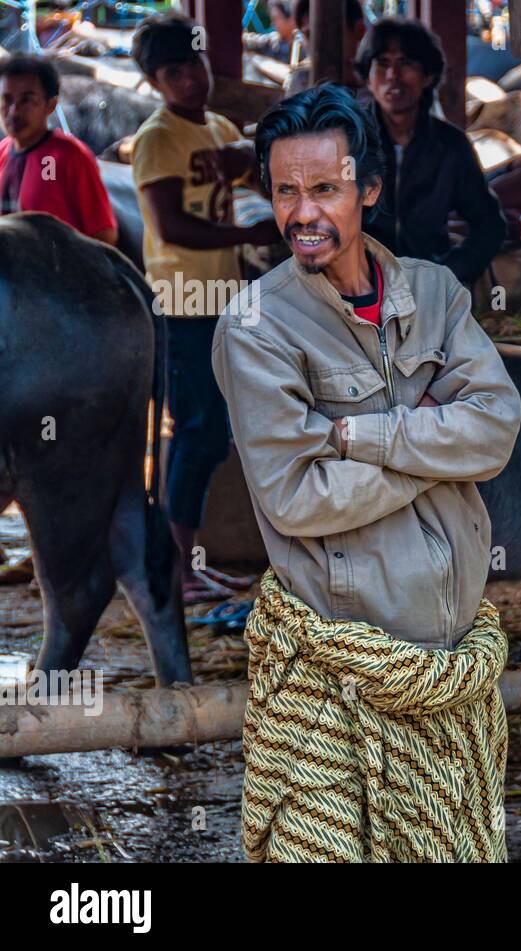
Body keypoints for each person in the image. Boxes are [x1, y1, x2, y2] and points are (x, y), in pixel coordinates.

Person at [212, 84, 521, 862]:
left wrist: (359, 435)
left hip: (445, 672)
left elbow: (497, 430)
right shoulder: (254, 326)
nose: (302, 213)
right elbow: (296, 495)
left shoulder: (438, 294)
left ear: (370, 189)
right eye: (285, 190)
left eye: (325, 188)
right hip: (335, 677)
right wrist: (435, 451)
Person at [130, 13, 282, 604]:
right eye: (174, 72)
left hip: (224, 301)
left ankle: (191, 563)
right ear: (154, 83)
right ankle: (175, 570)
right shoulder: (157, 138)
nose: (190, 79)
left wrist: (249, 151)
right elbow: (171, 226)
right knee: (197, 431)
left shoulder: (219, 127)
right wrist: (252, 235)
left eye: (194, 65)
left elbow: (249, 173)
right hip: (181, 302)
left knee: (212, 433)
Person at [356, 17, 510, 286]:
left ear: (428, 76)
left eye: (406, 64)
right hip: (360, 287)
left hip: (427, 285)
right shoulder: (349, 141)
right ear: (368, 78)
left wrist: (450, 273)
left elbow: (490, 225)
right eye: (382, 64)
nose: (393, 75)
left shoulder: (450, 145)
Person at [0, 55, 116, 244]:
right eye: (6, 100)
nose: (14, 112)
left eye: (26, 101)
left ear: (50, 105)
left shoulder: (69, 156)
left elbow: (104, 234)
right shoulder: (2, 153)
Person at [284, 0, 368, 95]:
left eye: (331, 33)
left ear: (359, 31)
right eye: (310, 36)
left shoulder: (378, 88)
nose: (320, 46)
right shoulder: (301, 83)